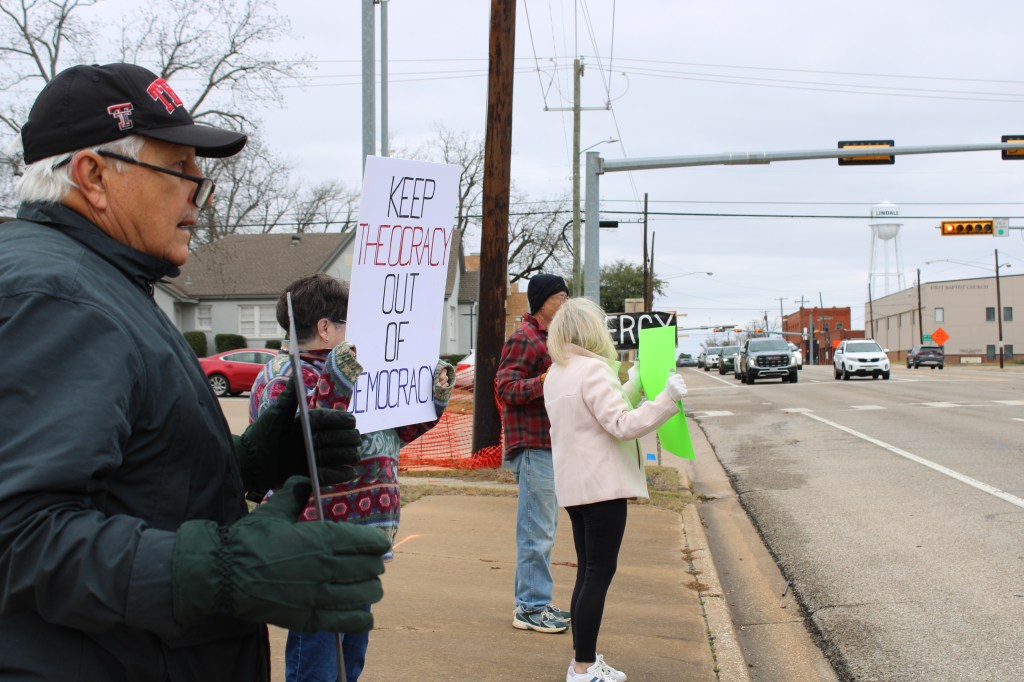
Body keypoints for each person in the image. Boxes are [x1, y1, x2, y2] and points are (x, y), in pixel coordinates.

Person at [0, 63, 390, 680]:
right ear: (94, 174)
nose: (199, 192)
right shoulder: (57, 297)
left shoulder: (108, 284)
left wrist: (252, 460)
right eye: (178, 169)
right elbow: (19, 538)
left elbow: (125, 480)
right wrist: (223, 569)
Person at [250, 273, 455, 682]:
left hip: (362, 540)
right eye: (354, 323)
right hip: (316, 544)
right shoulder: (283, 377)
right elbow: (301, 445)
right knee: (318, 661)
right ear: (326, 328)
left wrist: (432, 400)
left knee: (351, 654)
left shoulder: (361, 371)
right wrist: (337, 380)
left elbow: (392, 434)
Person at [543, 297, 687, 682]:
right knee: (598, 574)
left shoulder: (558, 373)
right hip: (603, 487)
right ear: (591, 331)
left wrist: (636, 383)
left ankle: (582, 661)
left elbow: (602, 412)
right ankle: (583, 667)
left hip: (575, 488)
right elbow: (621, 424)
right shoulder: (593, 370)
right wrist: (667, 400)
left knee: (587, 573)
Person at [496, 273, 572, 633]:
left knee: (545, 528)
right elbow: (505, 387)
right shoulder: (524, 338)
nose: (565, 303)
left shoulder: (552, 338)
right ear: (541, 301)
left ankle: (537, 602)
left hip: (550, 444)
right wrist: (545, 381)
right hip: (532, 446)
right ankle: (530, 607)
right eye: (560, 297)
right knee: (535, 531)